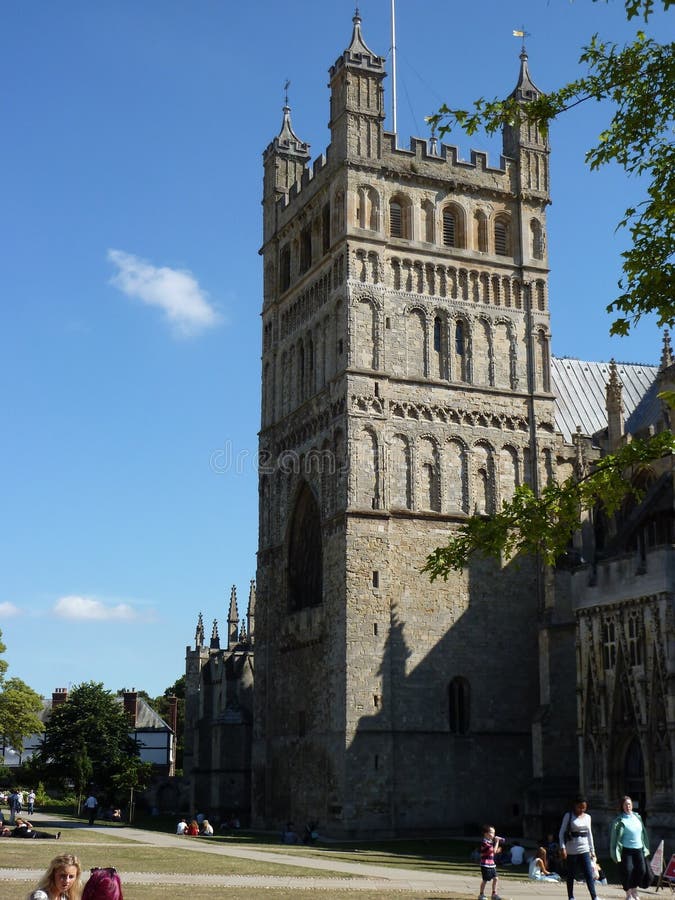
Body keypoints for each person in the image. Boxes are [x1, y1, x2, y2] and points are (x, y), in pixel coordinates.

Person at [610, 795, 650, 900]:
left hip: (639, 848)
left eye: (629, 804)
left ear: (632, 805)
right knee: (627, 871)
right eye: (625, 804)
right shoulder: (619, 821)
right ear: (622, 806)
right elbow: (614, 839)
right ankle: (628, 893)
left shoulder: (637, 817)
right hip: (626, 850)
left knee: (642, 870)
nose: (628, 806)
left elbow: (643, 834)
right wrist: (614, 853)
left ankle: (634, 889)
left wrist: (645, 847)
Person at [559, 796, 599, 900]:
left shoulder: (588, 817)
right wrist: (563, 847)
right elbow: (561, 833)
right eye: (579, 807)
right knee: (571, 874)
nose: (581, 810)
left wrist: (592, 850)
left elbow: (590, 834)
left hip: (584, 848)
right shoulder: (568, 816)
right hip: (572, 849)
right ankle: (571, 896)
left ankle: (594, 896)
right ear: (575, 806)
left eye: (584, 808)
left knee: (589, 874)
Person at [477, 825, 503, 900]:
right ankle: (481, 894)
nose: (493, 834)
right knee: (485, 880)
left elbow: (492, 852)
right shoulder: (484, 842)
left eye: (494, 833)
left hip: (491, 864)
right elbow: (492, 850)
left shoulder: (490, 842)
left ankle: (494, 894)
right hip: (485, 864)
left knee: (496, 878)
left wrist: (496, 850)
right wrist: (497, 842)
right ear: (485, 833)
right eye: (491, 832)